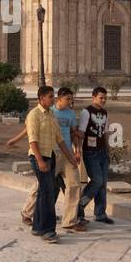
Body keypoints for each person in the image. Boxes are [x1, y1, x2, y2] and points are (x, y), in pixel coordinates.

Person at [8, 86, 87, 233]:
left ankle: (69, 221)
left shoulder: (67, 114)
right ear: (59, 99)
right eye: (67, 99)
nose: (70, 102)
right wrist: (15, 140)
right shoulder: (45, 113)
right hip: (50, 154)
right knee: (42, 187)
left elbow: (69, 134)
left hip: (66, 152)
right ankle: (29, 213)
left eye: (71, 99)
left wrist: (76, 152)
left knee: (74, 184)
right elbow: (30, 131)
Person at [24, 85, 79, 243]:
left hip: (51, 156)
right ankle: (47, 230)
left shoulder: (51, 115)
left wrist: (71, 157)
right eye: (50, 96)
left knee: (44, 192)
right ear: (41, 98)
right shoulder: (34, 115)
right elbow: (32, 140)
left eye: (53, 96)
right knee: (48, 193)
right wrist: (40, 160)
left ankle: (37, 226)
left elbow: (60, 139)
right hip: (38, 157)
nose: (52, 99)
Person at [78, 87, 114, 224]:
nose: (103, 100)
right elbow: (81, 133)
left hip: (102, 151)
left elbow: (104, 133)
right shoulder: (86, 112)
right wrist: (78, 150)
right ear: (93, 97)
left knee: (103, 183)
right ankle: (80, 205)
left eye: (105, 98)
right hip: (90, 152)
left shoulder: (105, 113)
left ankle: (100, 213)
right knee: (96, 180)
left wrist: (108, 150)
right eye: (101, 98)